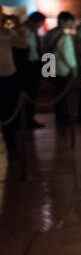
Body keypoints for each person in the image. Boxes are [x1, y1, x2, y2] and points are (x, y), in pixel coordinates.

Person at [0, 12, 23, 155]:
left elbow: (22, 44)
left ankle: (11, 145)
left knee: (9, 110)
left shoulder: (8, 32)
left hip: (9, 74)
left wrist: (18, 28)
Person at [51, 11, 78, 127]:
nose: (72, 25)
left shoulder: (51, 33)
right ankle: (63, 119)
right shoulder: (64, 36)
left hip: (52, 68)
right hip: (62, 69)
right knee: (63, 96)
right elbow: (68, 54)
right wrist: (73, 67)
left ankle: (59, 118)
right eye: (70, 22)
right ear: (62, 21)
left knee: (58, 95)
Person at [19, 11, 45, 128]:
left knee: (32, 93)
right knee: (28, 93)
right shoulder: (23, 31)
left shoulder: (32, 32)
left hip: (34, 64)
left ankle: (29, 118)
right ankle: (26, 119)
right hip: (27, 66)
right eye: (40, 23)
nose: (40, 26)